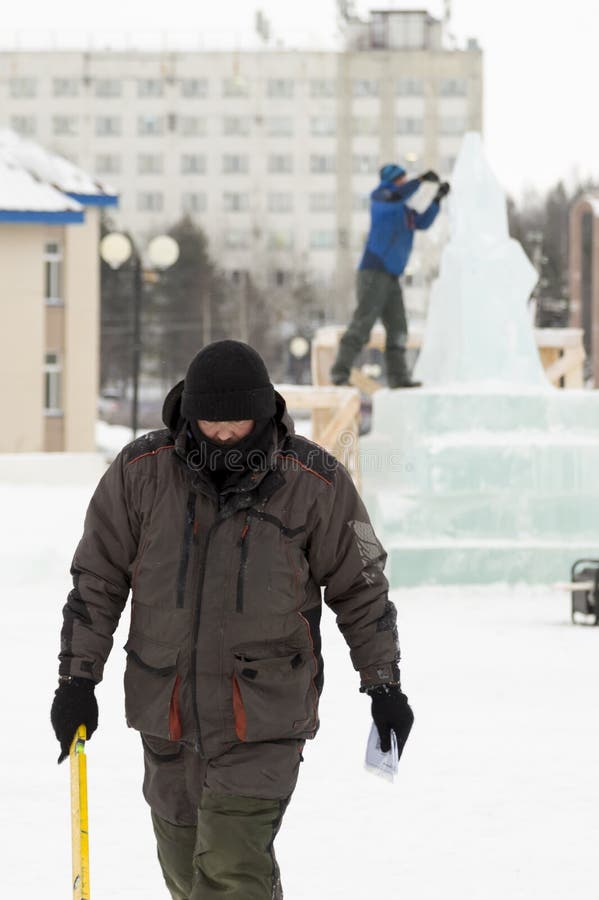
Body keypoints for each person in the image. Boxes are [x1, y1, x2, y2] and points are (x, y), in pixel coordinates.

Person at [51, 340, 414, 900]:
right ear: (188, 413)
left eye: (236, 421)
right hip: (166, 711)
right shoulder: (139, 474)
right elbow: (95, 582)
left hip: (263, 717)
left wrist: (384, 684)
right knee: (186, 870)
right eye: (209, 421)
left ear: (264, 414)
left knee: (230, 869)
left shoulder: (317, 482)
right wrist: (77, 680)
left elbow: (364, 587)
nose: (222, 434)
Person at [330, 163, 450, 389]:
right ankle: (339, 373)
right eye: (401, 179)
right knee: (363, 323)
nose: (405, 183)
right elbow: (397, 194)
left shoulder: (403, 210)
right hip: (374, 271)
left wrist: (437, 198)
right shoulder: (382, 198)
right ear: (392, 180)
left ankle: (398, 377)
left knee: (398, 328)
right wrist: (421, 179)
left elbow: (423, 222)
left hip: (392, 275)